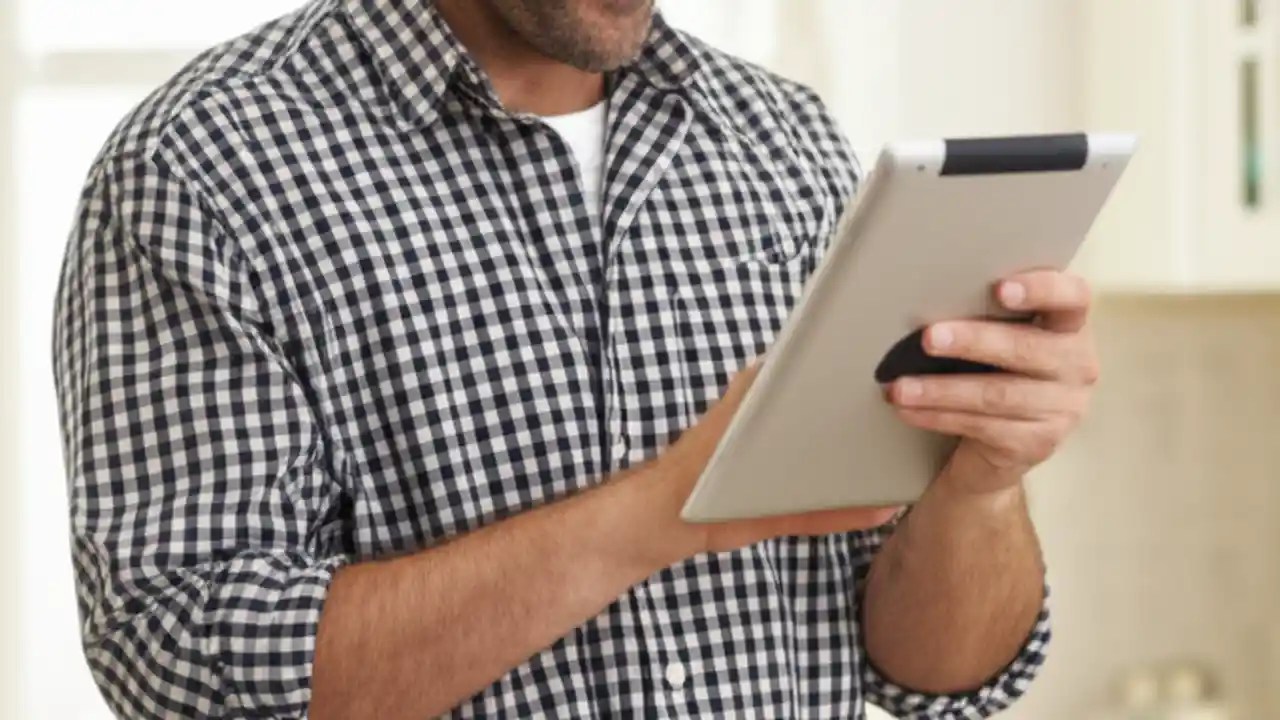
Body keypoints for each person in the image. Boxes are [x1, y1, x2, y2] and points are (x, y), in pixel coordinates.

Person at [53, 0, 1098, 717]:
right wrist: (660, 513)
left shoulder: (779, 143)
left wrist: (980, 488)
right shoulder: (203, 169)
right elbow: (186, 670)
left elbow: (932, 678)